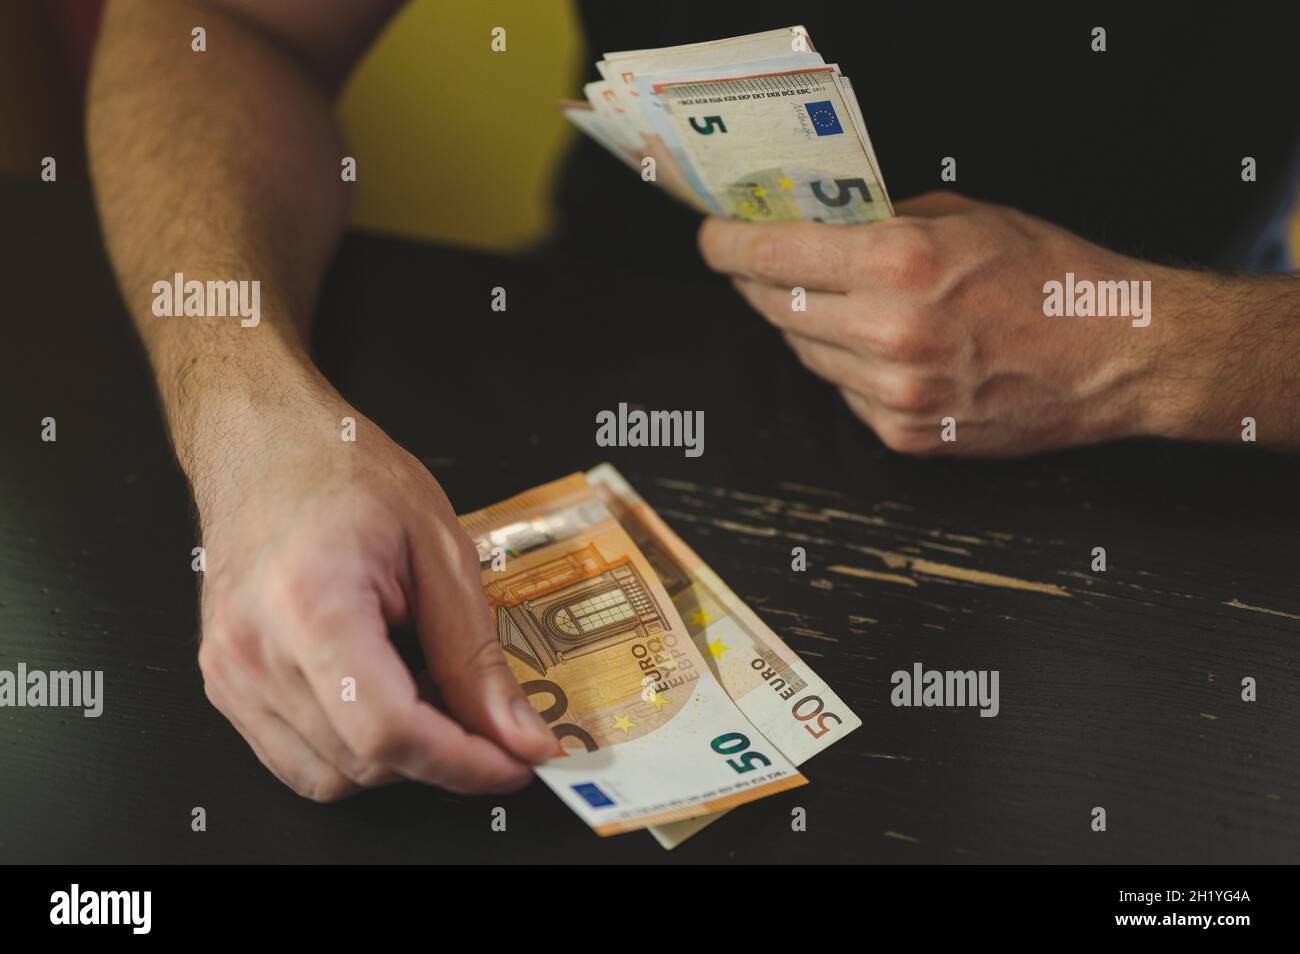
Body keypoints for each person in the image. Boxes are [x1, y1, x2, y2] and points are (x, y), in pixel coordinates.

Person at [86, 0, 1299, 801]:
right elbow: (220, 24)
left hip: (1187, 505)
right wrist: (247, 419)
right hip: (588, 354)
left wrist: (1163, 345)